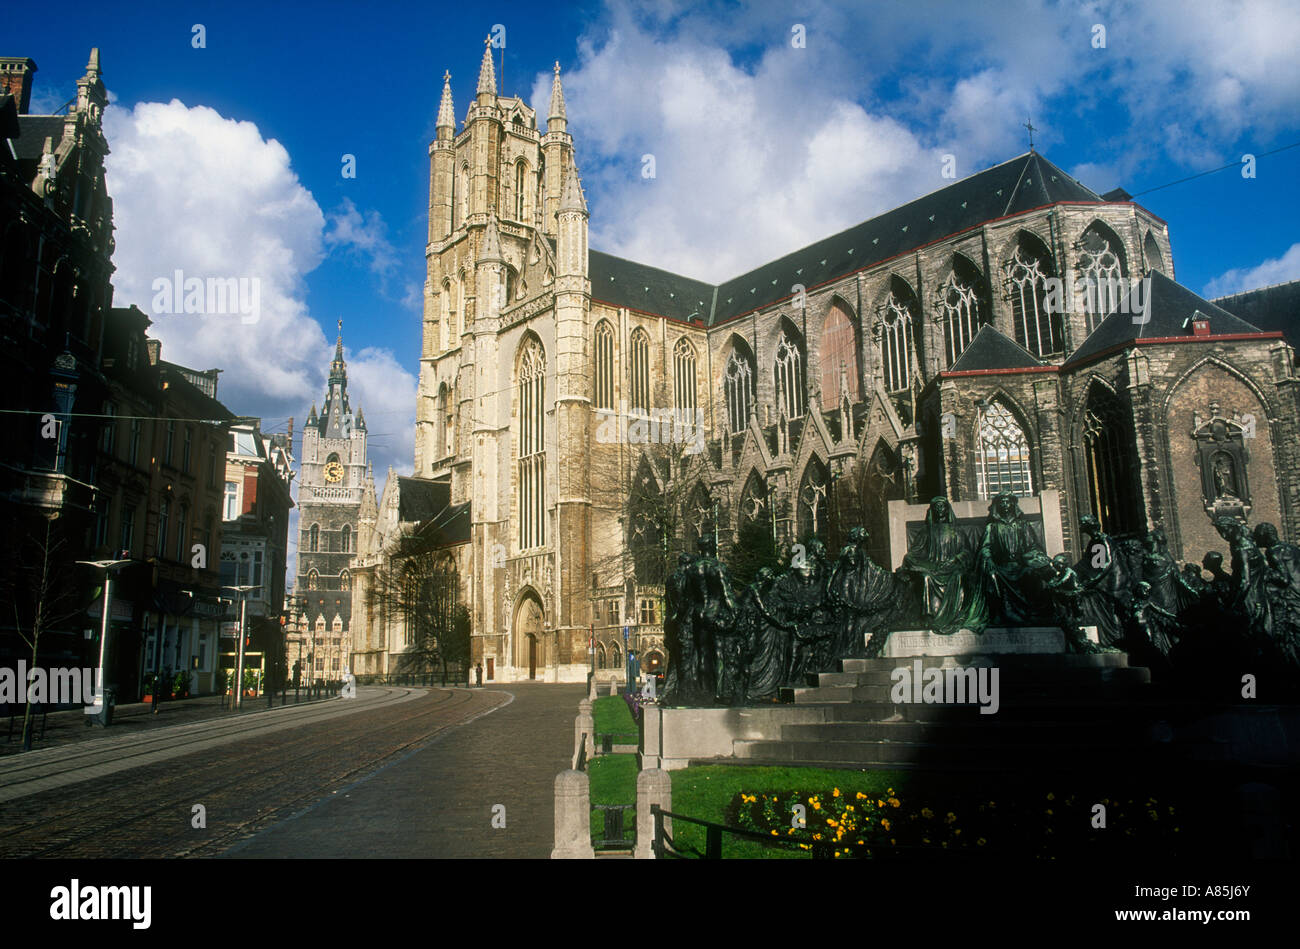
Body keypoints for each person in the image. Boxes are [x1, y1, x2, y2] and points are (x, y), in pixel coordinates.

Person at [901, 497, 986, 635]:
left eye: (942, 506)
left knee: (958, 577)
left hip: (953, 569)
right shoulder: (926, 532)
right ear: (932, 510)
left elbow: (967, 552)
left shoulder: (956, 530)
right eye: (937, 507)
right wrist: (925, 564)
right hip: (933, 569)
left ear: (947, 509)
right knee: (926, 577)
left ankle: (955, 614)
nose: (940, 509)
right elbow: (914, 553)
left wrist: (955, 559)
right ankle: (930, 616)